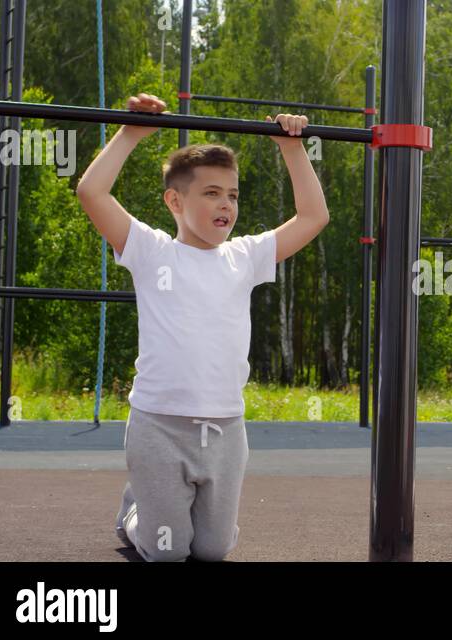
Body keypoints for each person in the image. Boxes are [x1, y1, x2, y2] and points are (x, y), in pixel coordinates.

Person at [76, 93, 329, 561]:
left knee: (212, 551)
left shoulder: (245, 256)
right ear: (175, 200)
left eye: (232, 194)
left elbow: (314, 217)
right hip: (159, 423)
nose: (226, 204)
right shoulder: (151, 251)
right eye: (211, 193)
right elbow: (92, 193)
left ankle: (160, 508)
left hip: (225, 428)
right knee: (167, 554)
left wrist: (292, 148)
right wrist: (131, 133)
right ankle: (138, 512)